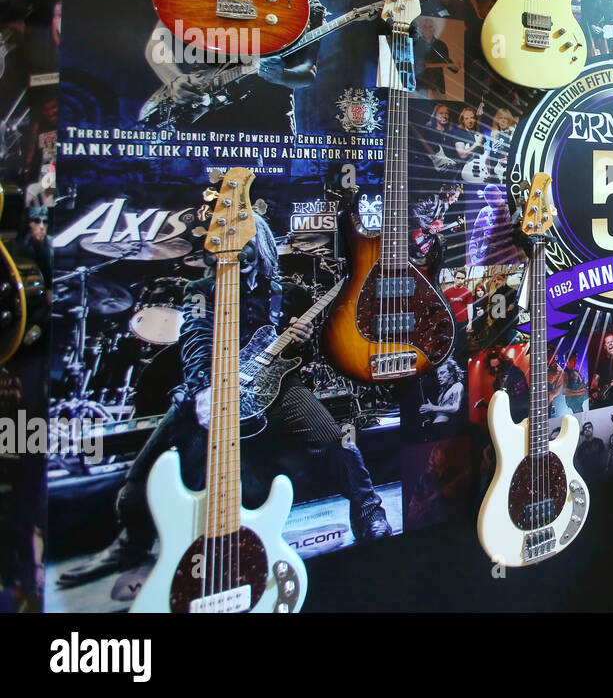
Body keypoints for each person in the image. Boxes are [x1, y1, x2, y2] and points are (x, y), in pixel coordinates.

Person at [57, 214, 392, 588]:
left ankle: (367, 512)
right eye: (232, 246)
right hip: (213, 385)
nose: (240, 253)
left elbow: (306, 355)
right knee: (155, 456)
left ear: (262, 245)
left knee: (336, 440)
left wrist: (300, 339)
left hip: (276, 384)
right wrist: (204, 388)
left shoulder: (286, 293)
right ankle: (132, 543)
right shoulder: (202, 290)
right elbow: (196, 337)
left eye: (248, 245)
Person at [485, 347, 528, 424]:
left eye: (498, 366)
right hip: (509, 417)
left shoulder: (516, 373)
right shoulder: (496, 383)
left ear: (503, 363)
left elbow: (521, 396)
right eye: (493, 368)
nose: (496, 370)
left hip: (523, 415)